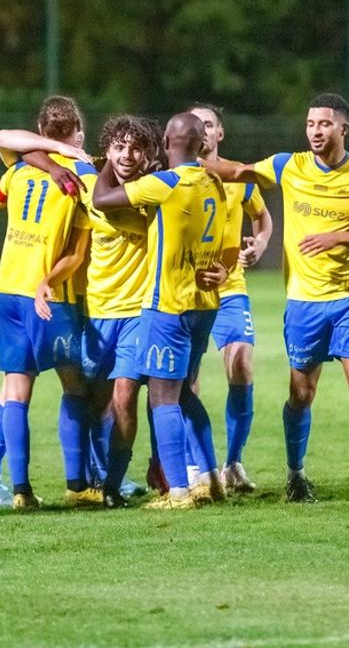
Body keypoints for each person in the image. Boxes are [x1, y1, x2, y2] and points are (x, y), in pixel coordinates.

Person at [203, 93, 349, 507]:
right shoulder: (288, 166)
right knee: (301, 394)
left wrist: (339, 236)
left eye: (324, 124)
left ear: (342, 129)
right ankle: (296, 474)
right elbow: (237, 170)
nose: (315, 130)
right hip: (303, 303)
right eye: (311, 123)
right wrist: (182, 160)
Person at [1, 115, 163, 508]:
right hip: (90, 310)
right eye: (120, 147)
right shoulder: (89, 181)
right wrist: (59, 160)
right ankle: (79, 480)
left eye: (135, 147)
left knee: (122, 398)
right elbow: (76, 251)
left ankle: (109, 483)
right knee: (85, 395)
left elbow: (6, 157)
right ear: (104, 148)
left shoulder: (156, 190)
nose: (126, 154)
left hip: (135, 313)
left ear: (147, 154)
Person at [94, 112, 236, 510]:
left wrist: (108, 157)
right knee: (186, 395)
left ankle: (177, 492)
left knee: (163, 399)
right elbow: (223, 239)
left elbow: (102, 199)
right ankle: (210, 479)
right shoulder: (214, 183)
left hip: (169, 305)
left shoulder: (165, 184)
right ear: (199, 143)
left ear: (167, 145)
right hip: (204, 305)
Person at [0, 95, 98, 510]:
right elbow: (78, 255)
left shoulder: (17, 171)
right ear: (76, 133)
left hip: (5, 290)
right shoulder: (82, 176)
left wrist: (46, 154)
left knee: (16, 390)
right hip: (49, 296)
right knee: (74, 385)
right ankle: (77, 484)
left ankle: (21, 491)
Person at [188, 103, 274, 494]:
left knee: (241, 361)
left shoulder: (240, 176)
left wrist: (259, 244)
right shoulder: (176, 176)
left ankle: (232, 463)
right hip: (185, 289)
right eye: (196, 125)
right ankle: (193, 467)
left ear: (220, 133)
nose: (203, 131)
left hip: (229, 287)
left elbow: (262, 218)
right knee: (185, 381)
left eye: (209, 124)